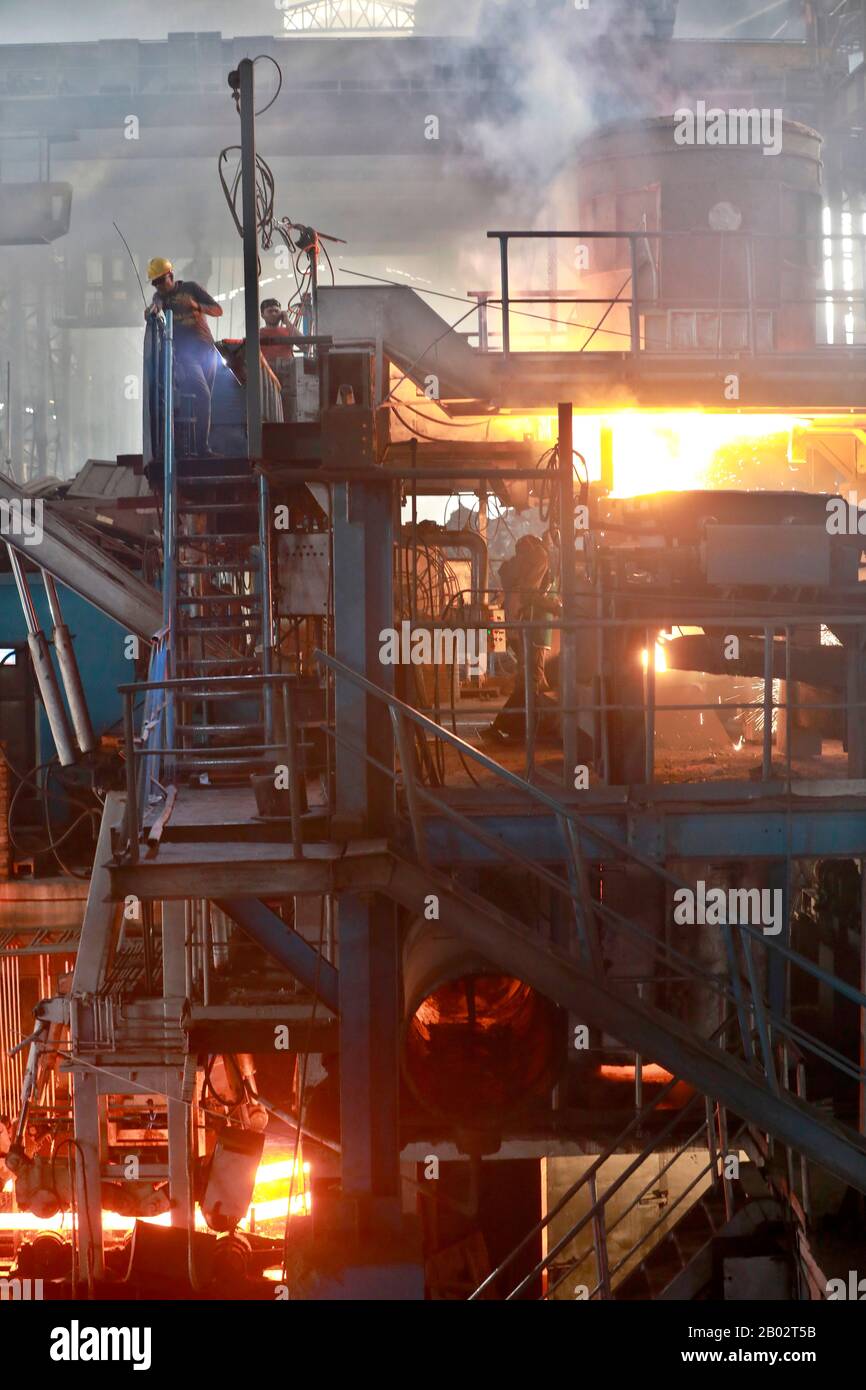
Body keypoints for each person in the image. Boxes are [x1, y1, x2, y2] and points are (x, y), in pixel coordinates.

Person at [482, 533, 561, 745]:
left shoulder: (526, 559)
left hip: (522, 627)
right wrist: (557, 608)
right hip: (534, 628)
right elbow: (529, 595)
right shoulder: (540, 557)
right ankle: (517, 728)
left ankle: (517, 726)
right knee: (531, 682)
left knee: (528, 681)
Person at [145, 257, 223, 457]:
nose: (158, 286)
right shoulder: (161, 298)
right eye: (154, 283)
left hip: (207, 349)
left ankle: (201, 446)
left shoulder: (190, 288)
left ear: (170, 275)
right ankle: (202, 449)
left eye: (160, 280)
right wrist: (152, 311)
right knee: (203, 394)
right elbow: (156, 304)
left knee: (205, 400)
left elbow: (217, 310)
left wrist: (197, 306)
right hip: (186, 356)